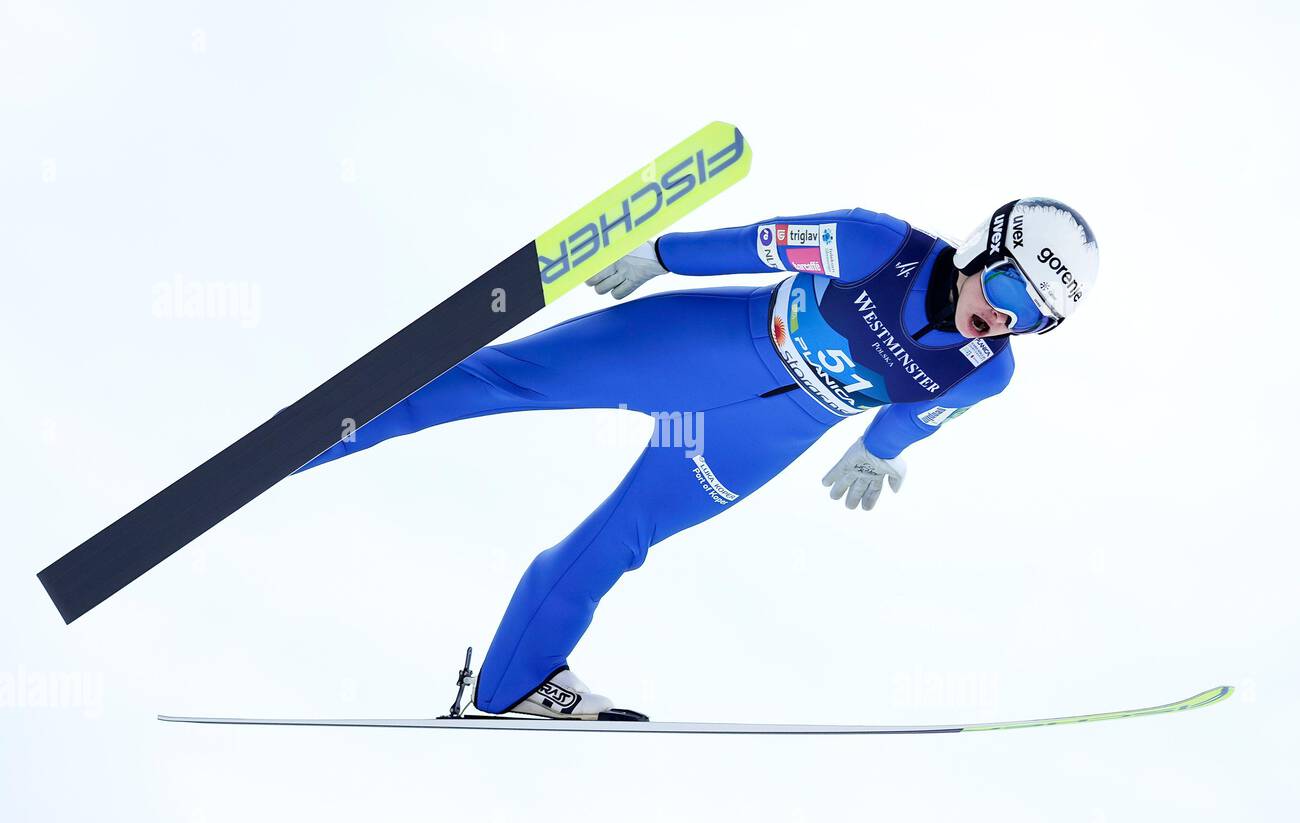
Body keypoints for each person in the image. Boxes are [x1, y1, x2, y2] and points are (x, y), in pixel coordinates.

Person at [299, 198, 1099, 720]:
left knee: (621, 538)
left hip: (750, 439)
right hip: (702, 350)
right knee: (501, 381)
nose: (1001, 318)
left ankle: (513, 686)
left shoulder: (985, 372)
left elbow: (922, 416)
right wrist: (666, 255)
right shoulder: (876, 245)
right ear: (978, 249)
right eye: (1010, 289)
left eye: (1034, 319)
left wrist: (878, 449)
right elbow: (761, 244)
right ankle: (315, 439)